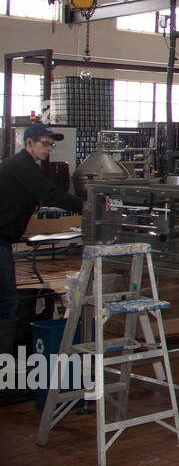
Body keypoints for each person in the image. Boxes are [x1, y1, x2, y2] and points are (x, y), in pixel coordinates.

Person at [0, 124, 84, 323]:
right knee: (7, 301)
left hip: (3, 238)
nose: (48, 148)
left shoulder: (22, 164)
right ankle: (7, 350)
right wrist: (89, 207)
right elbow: (50, 194)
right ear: (29, 142)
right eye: (45, 144)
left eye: (51, 145)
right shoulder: (22, 165)